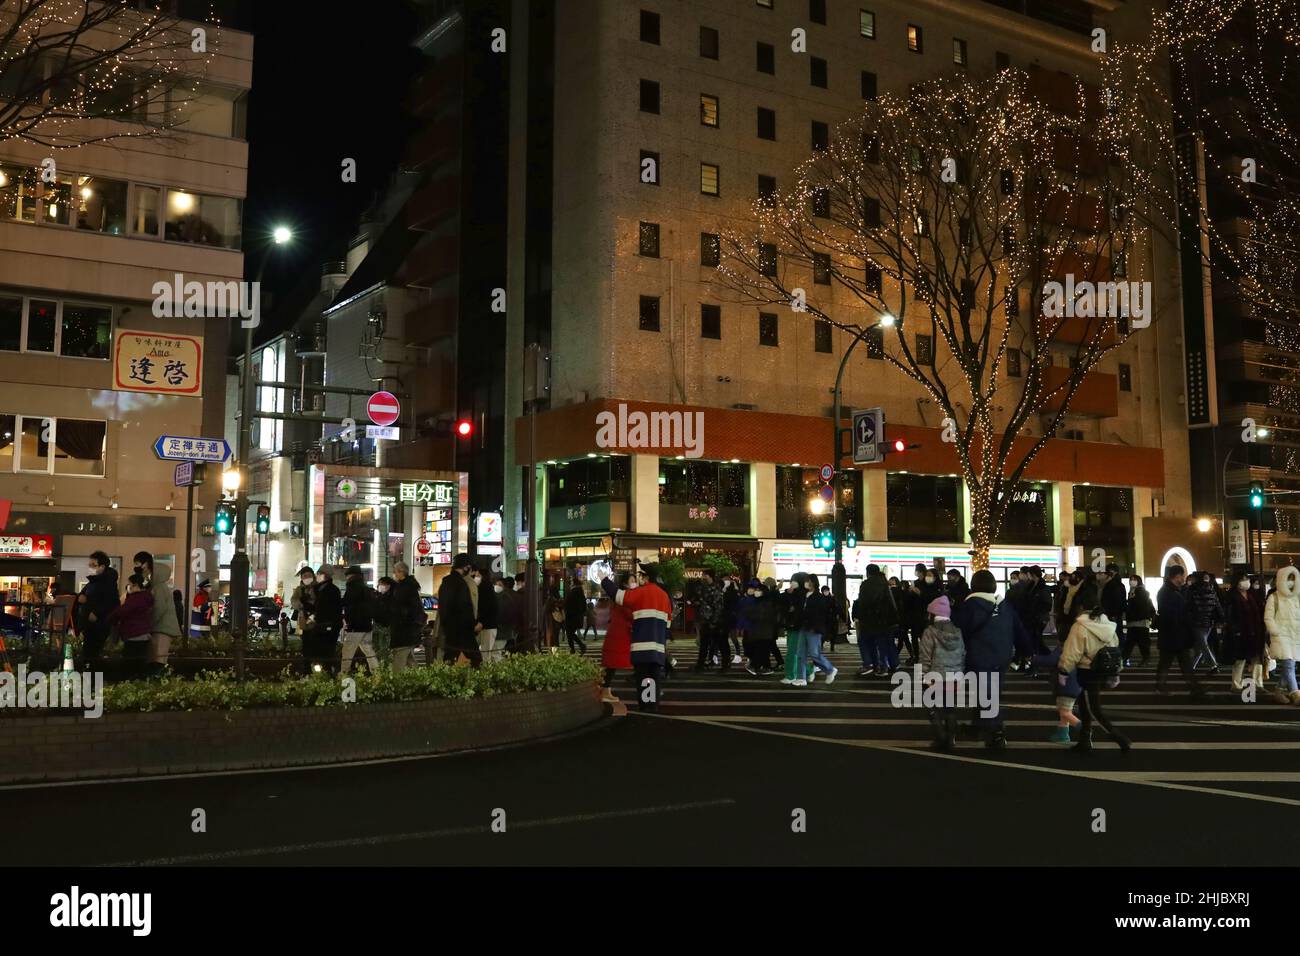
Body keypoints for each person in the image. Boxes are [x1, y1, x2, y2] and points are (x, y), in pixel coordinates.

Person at [955, 569, 1026, 750]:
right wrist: (1026, 650)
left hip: (980, 656)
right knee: (989, 693)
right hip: (1002, 657)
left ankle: (996, 733)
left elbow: (958, 629)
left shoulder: (970, 606)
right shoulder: (1004, 606)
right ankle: (980, 726)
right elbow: (1018, 629)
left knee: (987, 695)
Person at [1058, 579, 1130, 753]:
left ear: (1081, 606)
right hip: (1102, 670)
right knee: (1085, 706)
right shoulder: (1107, 624)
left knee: (1092, 708)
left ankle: (1119, 738)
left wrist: (1063, 670)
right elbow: (1115, 648)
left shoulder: (1080, 626)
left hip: (1087, 671)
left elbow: (1071, 652)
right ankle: (1085, 739)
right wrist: (1116, 671)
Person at [601, 561, 672, 711]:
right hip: (658, 648)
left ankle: (646, 709)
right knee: (653, 678)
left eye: (641, 577)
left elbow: (618, 596)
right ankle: (652, 706)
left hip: (642, 647)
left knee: (643, 679)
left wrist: (604, 580)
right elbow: (668, 623)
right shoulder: (664, 596)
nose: (639, 580)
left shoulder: (641, 592)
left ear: (646, 578)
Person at [918, 595, 964, 752]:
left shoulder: (929, 632)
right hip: (954, 677)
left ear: (932, 614)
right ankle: (951, 739)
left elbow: (925, 657)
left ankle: (940, 737)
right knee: (950, 708)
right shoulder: (958, 631)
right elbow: (962, 655)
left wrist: (923, 677)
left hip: (934, 677)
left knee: (932, 707)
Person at [1155, 565, 1206, 698]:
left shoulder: (1171, 591)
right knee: (1168, 663)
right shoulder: (1167, 592)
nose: (1184, 579)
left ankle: (1195, 689)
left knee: (1180, 664)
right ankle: (1161, 687)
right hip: (1173, 634)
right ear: (1177, 576)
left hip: (1175, 635)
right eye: (1182, 576)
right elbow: (1172, 615)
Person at [134, 551, 180, 675]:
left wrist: (149, 624)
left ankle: (158, 682)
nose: (146, 575)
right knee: (158, 658)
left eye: (149, 573)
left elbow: (159, 609)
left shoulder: (158, 588)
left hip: (161, 628)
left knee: (158, 659)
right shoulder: (159, 587)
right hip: (161, 627)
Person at [1224, 570, 1267, 696]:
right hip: (1241, 632)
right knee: (1240, 659)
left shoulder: (1252, 595)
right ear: (1236, 582)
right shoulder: (1232, 597)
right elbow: (1230, 615)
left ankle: (1258, 684)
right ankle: (1236, 684)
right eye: (1242, 579)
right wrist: (1234, 630)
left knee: (1257, 659)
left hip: (1255, 631)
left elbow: (1259, 611)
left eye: (1246, 579)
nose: (1246, 582)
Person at [75, 551, 119, 671]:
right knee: (88, 653)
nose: (90, 568)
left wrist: (97, 613)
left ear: (102, 567)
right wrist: (81, 599)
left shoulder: (108, 582)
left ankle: (94, 679)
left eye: (93, 565)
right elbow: (82, 597)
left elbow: (111, 602)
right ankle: (89, 676)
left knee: (93, 653)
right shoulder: (92, 582)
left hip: (99, 624)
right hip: (89, 624)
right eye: (89, 565)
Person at [1263, 566, 1300, 706]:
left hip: (1295, 636)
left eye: (1293, 579)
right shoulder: (1274, 597)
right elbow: (1268, 617)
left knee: (1290, 665)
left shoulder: (1297, 598)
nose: (1291, 582)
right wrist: (1275, 631)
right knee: (1289, 664)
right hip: (1281, 636)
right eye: (1288, 579)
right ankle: (1296, 693)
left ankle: (1278, 691)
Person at [853, 564, 899, 677]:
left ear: (868, 572)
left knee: (864, 641)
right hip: (885, 620)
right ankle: (886, 666)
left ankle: (870, 664)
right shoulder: (884, 583)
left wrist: (860, 617)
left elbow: (863, 603)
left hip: (870, 619)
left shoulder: (866, 584)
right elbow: (891, 602)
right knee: (883, 643)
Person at [438, 553, 482, 667]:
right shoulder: (461, 584)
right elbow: (465, 607)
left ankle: (445, 681)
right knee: (476, 659)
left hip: (449, 627)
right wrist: (473, 624)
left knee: (449, 657)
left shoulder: (446, 582)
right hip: (463, 628)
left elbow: (443, 606)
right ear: (466, 567)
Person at [107, 573, 154, 679]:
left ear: (135, 585)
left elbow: (121, 611)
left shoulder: (135, 599)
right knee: (139, 661)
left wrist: (110, 618)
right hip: (144, 633)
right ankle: (139, 682)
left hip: (134, 634)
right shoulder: (146, 597)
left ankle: (130, 681)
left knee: (129, 662)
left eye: (129, 584)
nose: (128, 586)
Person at [799, 573, 839, 685]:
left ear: (814, 582)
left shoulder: (819, 597)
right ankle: (802, 678)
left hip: (814, 629)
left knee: (814, 653)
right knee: (801, 654)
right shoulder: (804, 595)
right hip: (804, 627)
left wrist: (815, 627)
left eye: (808, 580)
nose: (806, 583)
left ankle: (830, 669)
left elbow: (820, 615)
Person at [339, 567, 379, 675]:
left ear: (351, 576)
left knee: (347, 652)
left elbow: (346, 602)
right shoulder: (365, 588)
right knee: (369, 651)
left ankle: (343, 673)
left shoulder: (352, 587)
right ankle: (377, 673)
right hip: (366, 625)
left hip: (355, 626)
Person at [601, 572, 634, 700]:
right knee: (611, 665)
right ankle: (604, 690)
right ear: (625, 583)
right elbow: (629, 614)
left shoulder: (622, 595)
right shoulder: (624, 597)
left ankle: (605, 690)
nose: (634, 582)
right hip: (620, 634)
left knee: (611, 665)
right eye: (632, 580)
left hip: (619, 634)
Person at [304, 564, 343, 673]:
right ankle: (323, 672)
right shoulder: (320, 589)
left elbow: (326, 609)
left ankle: (328, 673)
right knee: (320, 651)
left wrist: (315, 616)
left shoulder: (331, 590)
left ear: (324, 575)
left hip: (328, 626)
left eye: (319, 573)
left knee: (326, 652)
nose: (317, 576)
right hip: (323, 625)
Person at [388, 562, 425, 671]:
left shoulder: (405, 588)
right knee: (409, 659)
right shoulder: (407, 586)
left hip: (403, 630)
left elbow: (408, 609)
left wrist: (398, 616)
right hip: (407, 629)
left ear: (401, 572)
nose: (394, 574)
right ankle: (420, 679)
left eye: (395, 572)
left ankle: (397, 684)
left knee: (399, 659)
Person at [1188, 571, 1224, 673]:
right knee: (1201, 644)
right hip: (1209, 622)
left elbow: (1188, 606)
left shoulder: (1192, 591)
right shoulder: (1212, 590)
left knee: (1203, 645)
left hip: (1197, 622)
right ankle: (1191, 667)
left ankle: (1213, 665)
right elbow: (1218, 606)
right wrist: (1221, 618)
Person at [744, 579, 780, 675]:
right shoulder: (758, 602)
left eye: (758, 590)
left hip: (763, 631)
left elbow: (761, 616)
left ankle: (758, 667)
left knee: (761, 650)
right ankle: (763, 667)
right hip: (761, 631)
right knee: (762, 650)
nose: (756, 592)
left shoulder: (765, 603)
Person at [693, 570, 725, 671]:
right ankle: (700, 664)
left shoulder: (715, 588)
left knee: (719, 643)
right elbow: (700, 601)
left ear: (709, 576)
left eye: (704, 575)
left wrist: (714, 621)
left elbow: (718, 606)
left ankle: (725, 663)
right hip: (705, 620)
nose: (703, 577)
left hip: (714, 621)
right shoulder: (703, 588)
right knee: (704, 644)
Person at [780, 577, 809, 686]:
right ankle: (808, 671)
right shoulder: (791, 593)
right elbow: (781, 601)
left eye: (794, 581)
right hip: (792, 626)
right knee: (794, 651)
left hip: (798, 626)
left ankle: (791, 675)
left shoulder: (802, 595)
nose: (792, 583)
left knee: (793, 652)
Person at [1121, 574, 1155, 666]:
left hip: (1140, 621)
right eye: (1131, 579)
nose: (1132, 581)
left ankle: (1143, 659)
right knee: (1133, 642)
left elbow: (1139, 605)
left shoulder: (1140, 592)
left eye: (1134, 579)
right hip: (1135, 622)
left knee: (1139, 642)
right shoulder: (1131, 592)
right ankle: (1127, 658)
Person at [475, 568, 500, 662]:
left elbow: (486, 608)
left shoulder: (484, 590)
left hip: (487, 626)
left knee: (486, 654)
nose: (476, 578)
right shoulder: (489, 589)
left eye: (478, 576)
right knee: (492, 653)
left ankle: (486, 673)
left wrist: (481, 622)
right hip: (490, 626)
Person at [563, 577, 588, 656]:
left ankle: (578, 647)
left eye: (571, 582)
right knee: (570, 633)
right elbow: (584, 606)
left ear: (573, 583)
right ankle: (576, 648)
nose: (570, 583)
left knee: (569, 633)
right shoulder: (580, 593)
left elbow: (567, 604)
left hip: (571, 617)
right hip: (578, 617)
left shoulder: (572, 593)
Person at [290, 565, 317, 636]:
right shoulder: (299, 589)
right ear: (301, 578)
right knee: (306, 640)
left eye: (309, 575)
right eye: (305, 576)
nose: (307, 578)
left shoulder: (318, 587)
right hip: (304, 620)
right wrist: (301, 604)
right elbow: (293, 601)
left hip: (316, 620)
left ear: (313, 576)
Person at [495, 575, 518, 655]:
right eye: (496, 584)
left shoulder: (504, 597)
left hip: (502, 631)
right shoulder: (501, 596)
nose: (497, 586)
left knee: (497, 653)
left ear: (505, 586)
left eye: (500, 585)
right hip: (506, 631)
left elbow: (502, 614)